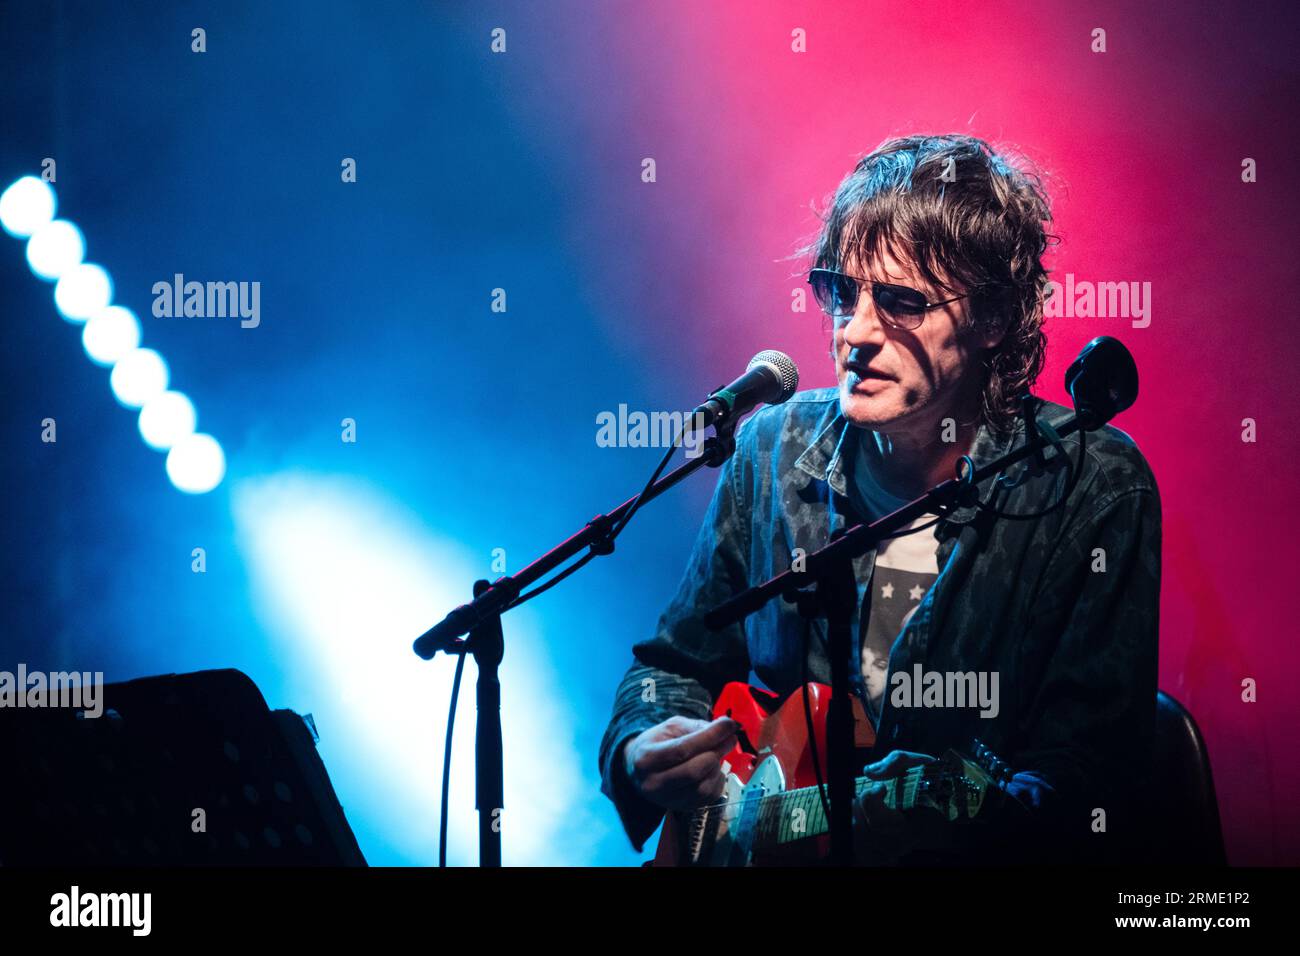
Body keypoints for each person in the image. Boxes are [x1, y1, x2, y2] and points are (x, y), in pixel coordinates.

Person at [598, 133, 1161, 865]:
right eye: (842, 290)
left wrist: (967, 822)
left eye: (901, 302)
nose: (856, 332)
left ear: (992, 320)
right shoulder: (770, 448)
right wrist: (646, 743)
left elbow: (1091, 783)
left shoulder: (1091, 484)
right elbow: (673, 665)